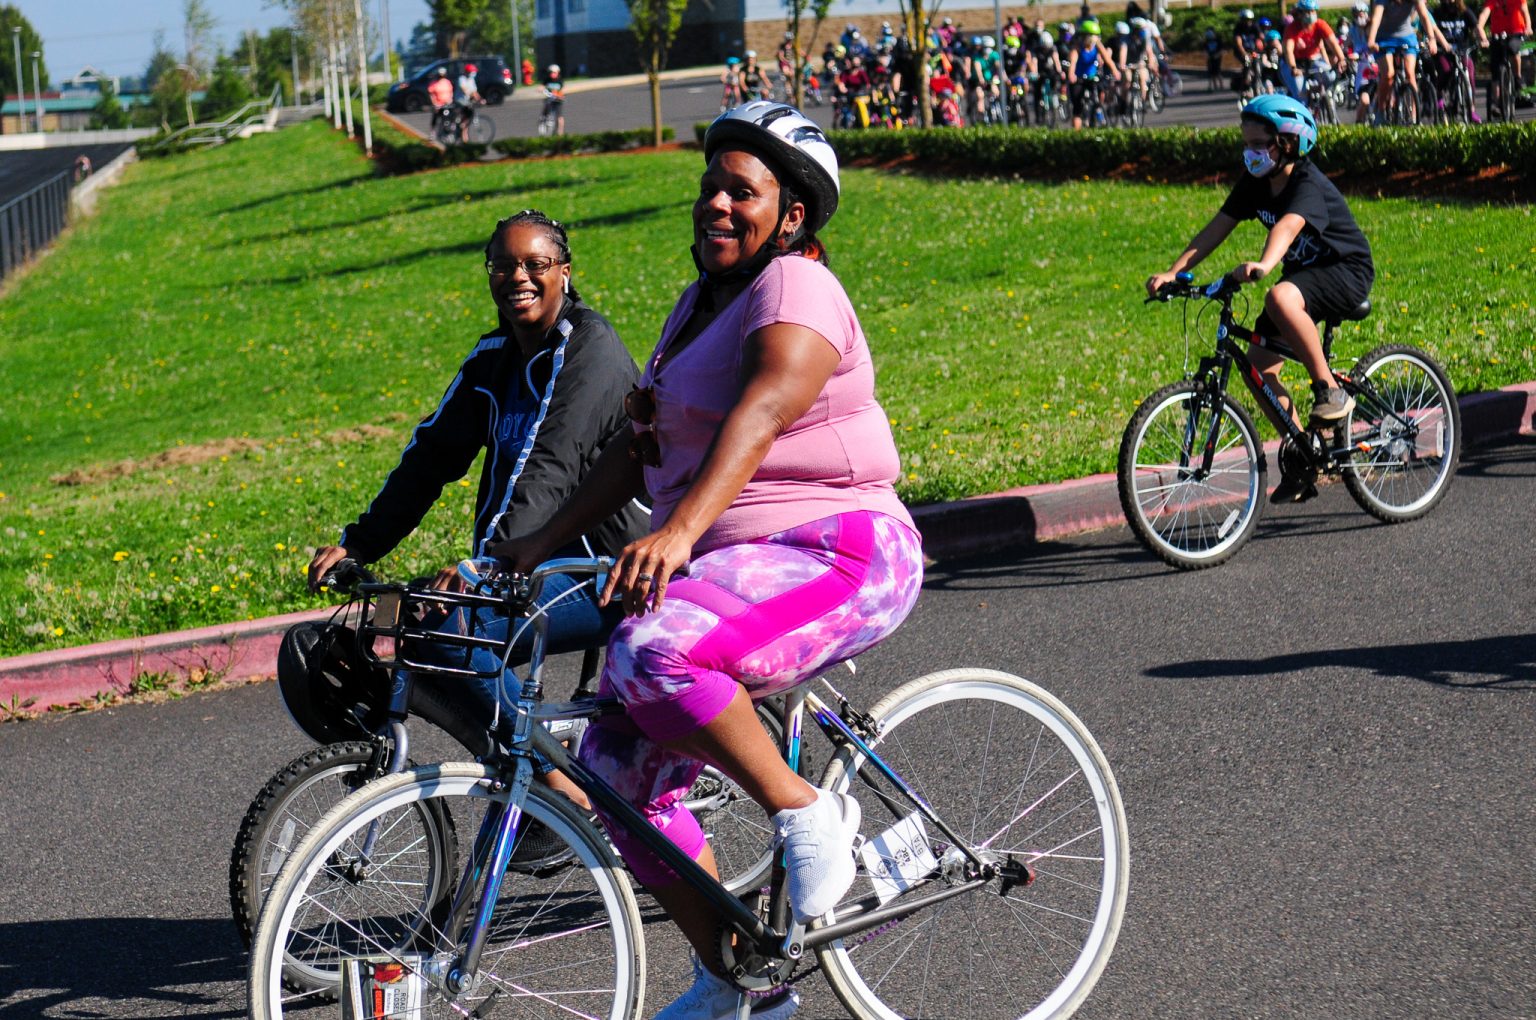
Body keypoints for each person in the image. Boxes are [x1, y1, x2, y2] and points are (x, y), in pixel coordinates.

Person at [490, 101, 924, 1020]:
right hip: (736, 564)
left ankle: (805, 809)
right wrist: (531, 544)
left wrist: (677, 532)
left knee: (655, 653)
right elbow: (637, 443)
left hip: (838, 548)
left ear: (792, 214)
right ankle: (741, 984)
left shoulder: (798, 292)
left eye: (743, 191)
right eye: (709, 188)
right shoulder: (698, 307)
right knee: (609, 775)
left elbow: (762, 412)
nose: (717, 206)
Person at [307, 210, 649, 724]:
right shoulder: (493, 357)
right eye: (502, 266)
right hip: (524, 568)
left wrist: (485, 566)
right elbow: (431, 457)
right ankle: (523, 772)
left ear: (565, 272)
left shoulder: (588, 347)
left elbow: (548, 464)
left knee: (450, 632)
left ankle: (553, 784)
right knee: (413, 623)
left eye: (536, 263)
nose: (518, 277)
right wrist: (360, 544)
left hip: (604, 570)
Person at [1145, 95, 1375, 505]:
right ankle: (1305, 453)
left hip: (1346, 271)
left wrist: (1266, 262)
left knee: (1279, 296)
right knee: (1261, 367)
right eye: (1246, 144)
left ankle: (1329, 391)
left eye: (1258, 144)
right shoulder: (1255, 184)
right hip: (1305, 278)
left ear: (1289, 143)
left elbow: (1288, 226)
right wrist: (1173, 272)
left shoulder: (1307, 183)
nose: (1249, 153)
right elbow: (1216, 228)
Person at [1368, 0, 1448, 123]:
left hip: (1406, 36)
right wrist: (1371, 40)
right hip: (1383, 38)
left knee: (1410, 74)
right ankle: (1381, 111)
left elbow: (1424, 16)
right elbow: (1376, 18)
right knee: (1388, 74)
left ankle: (1414, 117)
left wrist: (1432, 39)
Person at [1283, 0, 1348, 101]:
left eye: (1313, 11)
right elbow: (1288, 50)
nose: (1311, 14)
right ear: (1300, 14)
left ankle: (1322, 100)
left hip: (1314, 59)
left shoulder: (1320, 24)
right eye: (1307, 12)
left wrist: (1342, 59)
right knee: (1300, 91)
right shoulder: (1292, 28)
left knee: (1330, 76)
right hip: (1297, 63)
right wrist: (1293, 67)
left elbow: (1333, 44)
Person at [1477, 0, 1532, 115]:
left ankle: (1517, 78)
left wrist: (1528, 27)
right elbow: (1484, 15)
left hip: (1516, 32)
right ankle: (1496, 103)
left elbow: (1525, 12)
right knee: (1495, 69)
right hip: (1498, 35)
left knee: (1513, 48)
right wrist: (1481, 30)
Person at [1069, 18, 1122, 128]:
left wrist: (1115, 71)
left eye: (1095, 36)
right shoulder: (1077, 47)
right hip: (1079, 78)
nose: (1094, 39)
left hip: (1092, 76)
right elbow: (1073, 62)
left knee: (1100, 92)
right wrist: (1071, 74)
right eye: (1091, 36)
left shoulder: (1097, 45)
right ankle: (1076, 134)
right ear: (1084, 36)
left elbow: (1107, 58)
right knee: (1077, 107)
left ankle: (1098, 111)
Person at [426, 65, 455, 136]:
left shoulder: (447, 82)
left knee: (450, 117)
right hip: (438, 105)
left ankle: (451, 131)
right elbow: (431, 94)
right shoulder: (434, 83)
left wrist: (450, 100)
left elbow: (451, 92)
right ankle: (432, 133)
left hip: (447, 104)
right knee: (435, 118)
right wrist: (434, 103)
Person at [541, 64, 566, 134]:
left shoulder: (560, 80)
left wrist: (560, 95)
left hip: (557, 100)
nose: (552, 74)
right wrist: (541, 89)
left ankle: (560, 131)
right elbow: (542, 86)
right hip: (549, 99)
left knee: (559, 116)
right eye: (551, 72)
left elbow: (563, 90)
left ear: (558, 72)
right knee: (546, 107)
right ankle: (543, 119)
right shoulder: (547, 79)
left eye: (554, 72)